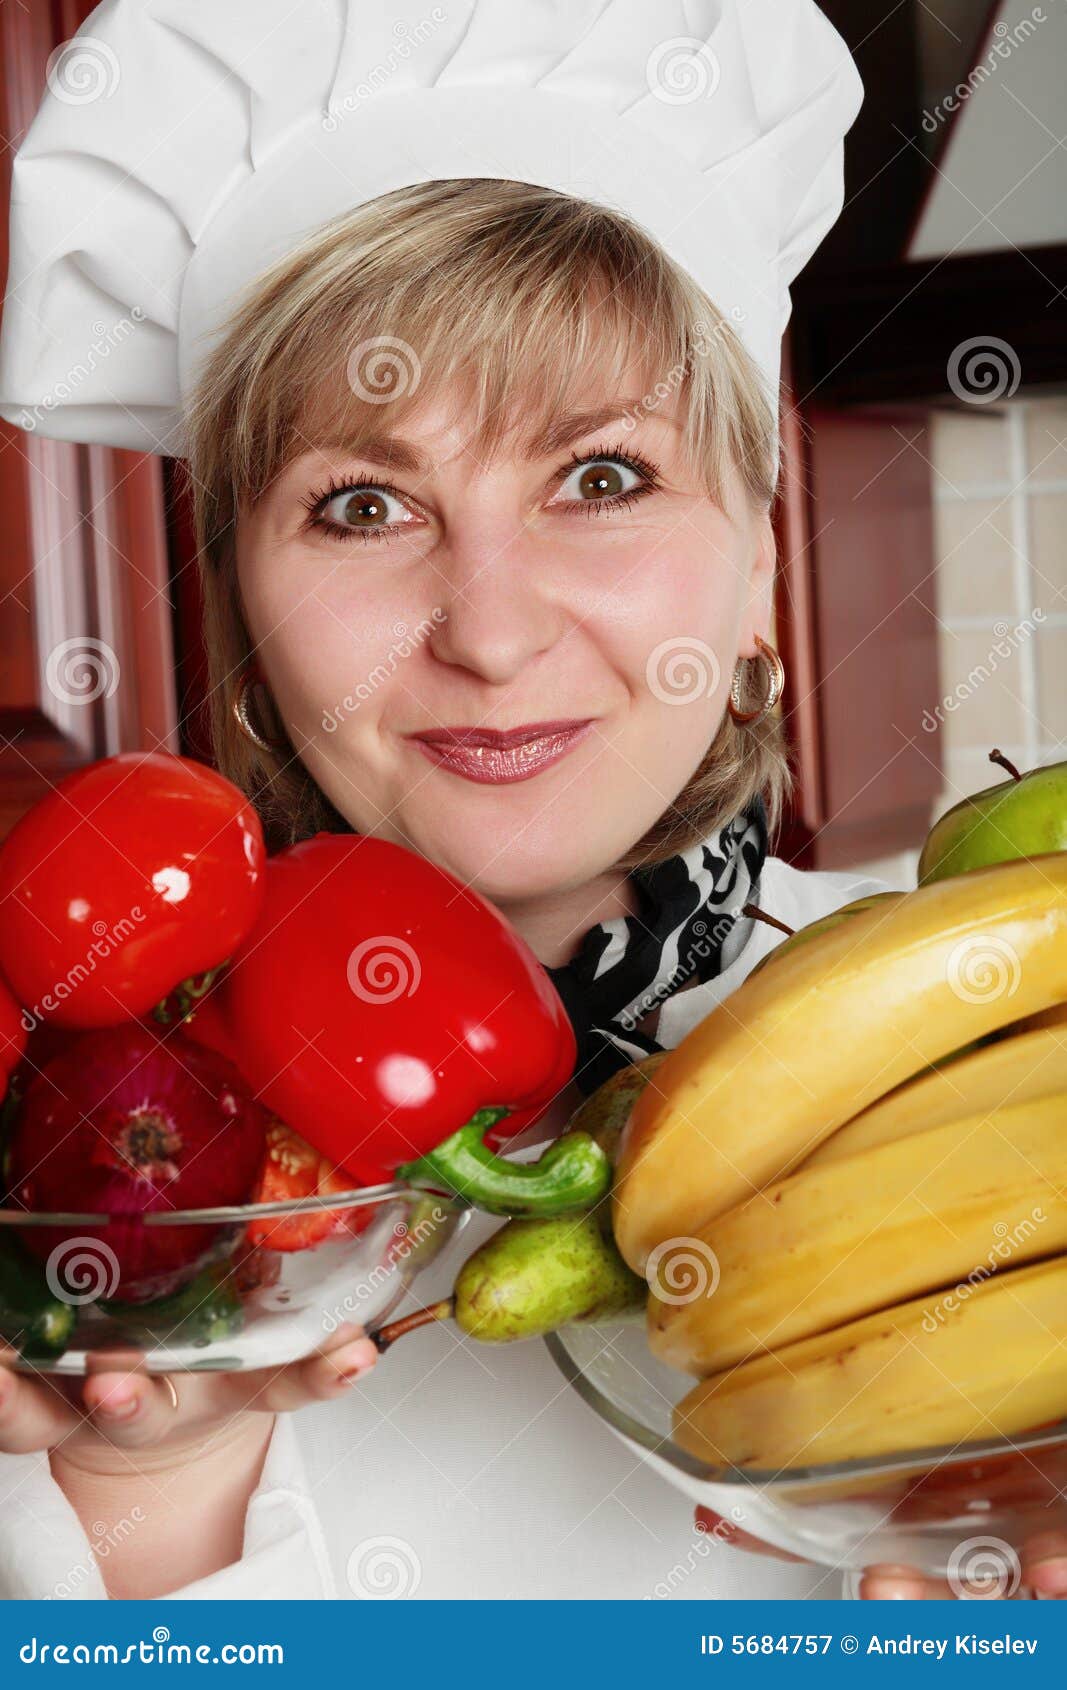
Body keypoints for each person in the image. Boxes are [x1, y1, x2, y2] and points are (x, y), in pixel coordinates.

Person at [1, 0, 1063, 1604]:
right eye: (363, 505)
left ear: (762, 560)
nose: (489, 628)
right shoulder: (74, 1204)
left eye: (603, 477)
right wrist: (147, 1485)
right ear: (236, 600)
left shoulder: (1019, 1048)